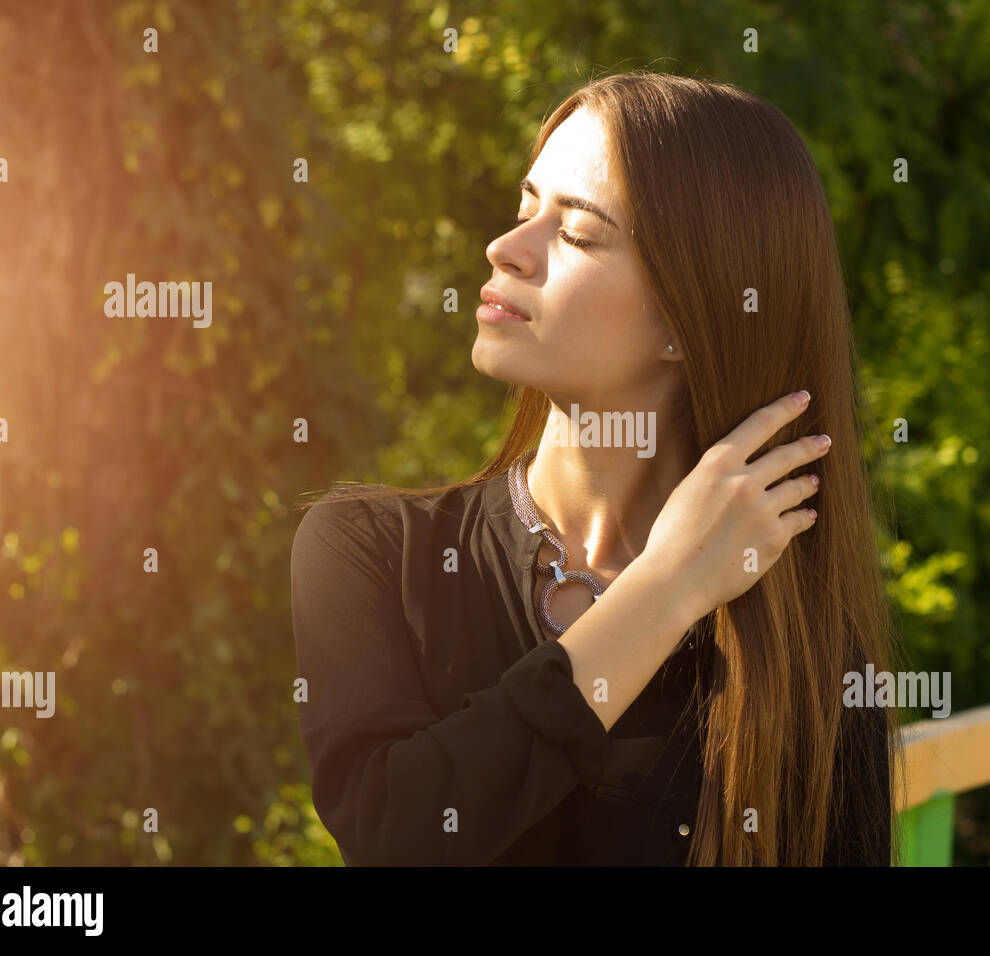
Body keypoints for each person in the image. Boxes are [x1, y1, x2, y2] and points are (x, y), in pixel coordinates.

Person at [291, 71, 903, 866]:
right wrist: (666, 590)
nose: (506, 248)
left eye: (576, 234)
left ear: (688, 321)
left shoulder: (805, 666)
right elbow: (399, 836)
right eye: (525, 208)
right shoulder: (369, 551)